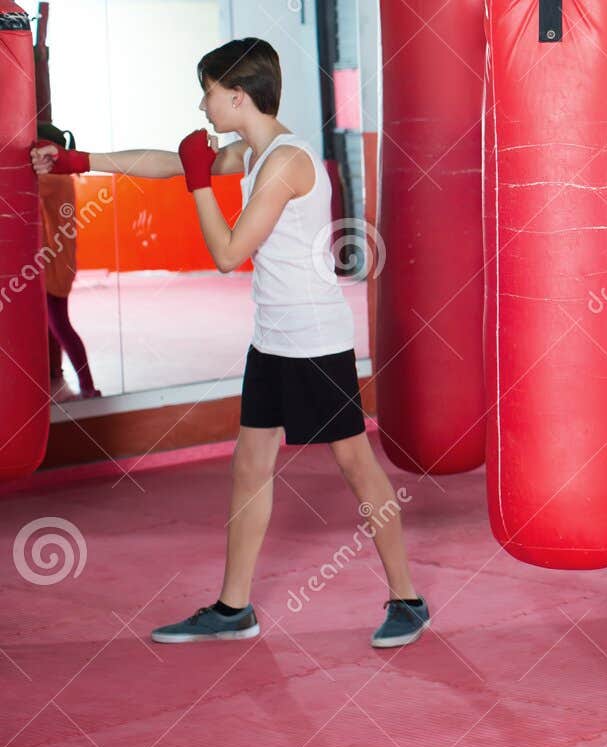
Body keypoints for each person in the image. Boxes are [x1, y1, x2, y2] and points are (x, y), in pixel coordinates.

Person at [31, 38, 429, 646]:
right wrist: (81, 162)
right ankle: (233, 608)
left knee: (355, 466)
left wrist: (197, 184)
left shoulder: (286, 164)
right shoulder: (254, 151)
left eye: (209, 93)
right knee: (250, 468)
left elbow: (227, 254)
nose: (203, 104)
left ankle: (408, 599)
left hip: (314, 344)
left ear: (238, 96)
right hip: (272, 340)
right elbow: (170, 161)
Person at [36, 122, 98, 402]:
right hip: (56, 262)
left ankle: (87, 385)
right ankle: (77, 381)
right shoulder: (60, 177)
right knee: (57, 325)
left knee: (60, 326)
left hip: (54, 266)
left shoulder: (54, 178)